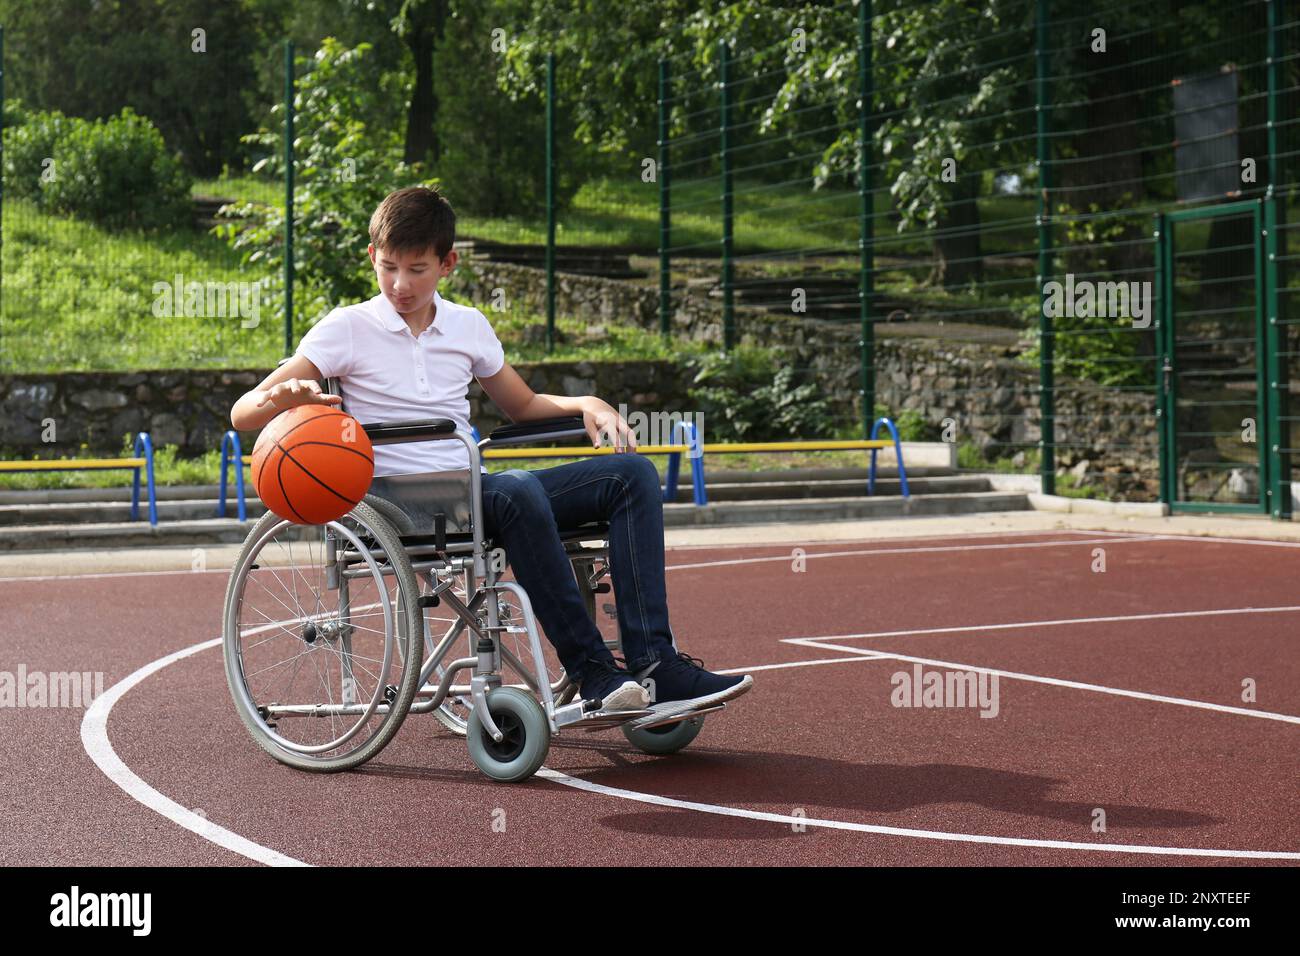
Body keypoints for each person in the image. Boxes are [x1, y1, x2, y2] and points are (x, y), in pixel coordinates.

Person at [229, 185, 752, 722]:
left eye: (417, 269)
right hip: (393, 504)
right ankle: (595, 672)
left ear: (447, 263)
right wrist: (279, 397)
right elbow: (241, 414)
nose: (400, 284)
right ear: (372, 257)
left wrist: (587, 403)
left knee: (632, 476)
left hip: (472, 493)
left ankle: (654, 665)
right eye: (388, 267)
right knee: (517, 489)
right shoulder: (348, 327)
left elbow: (521, 405)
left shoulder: (468, 326)